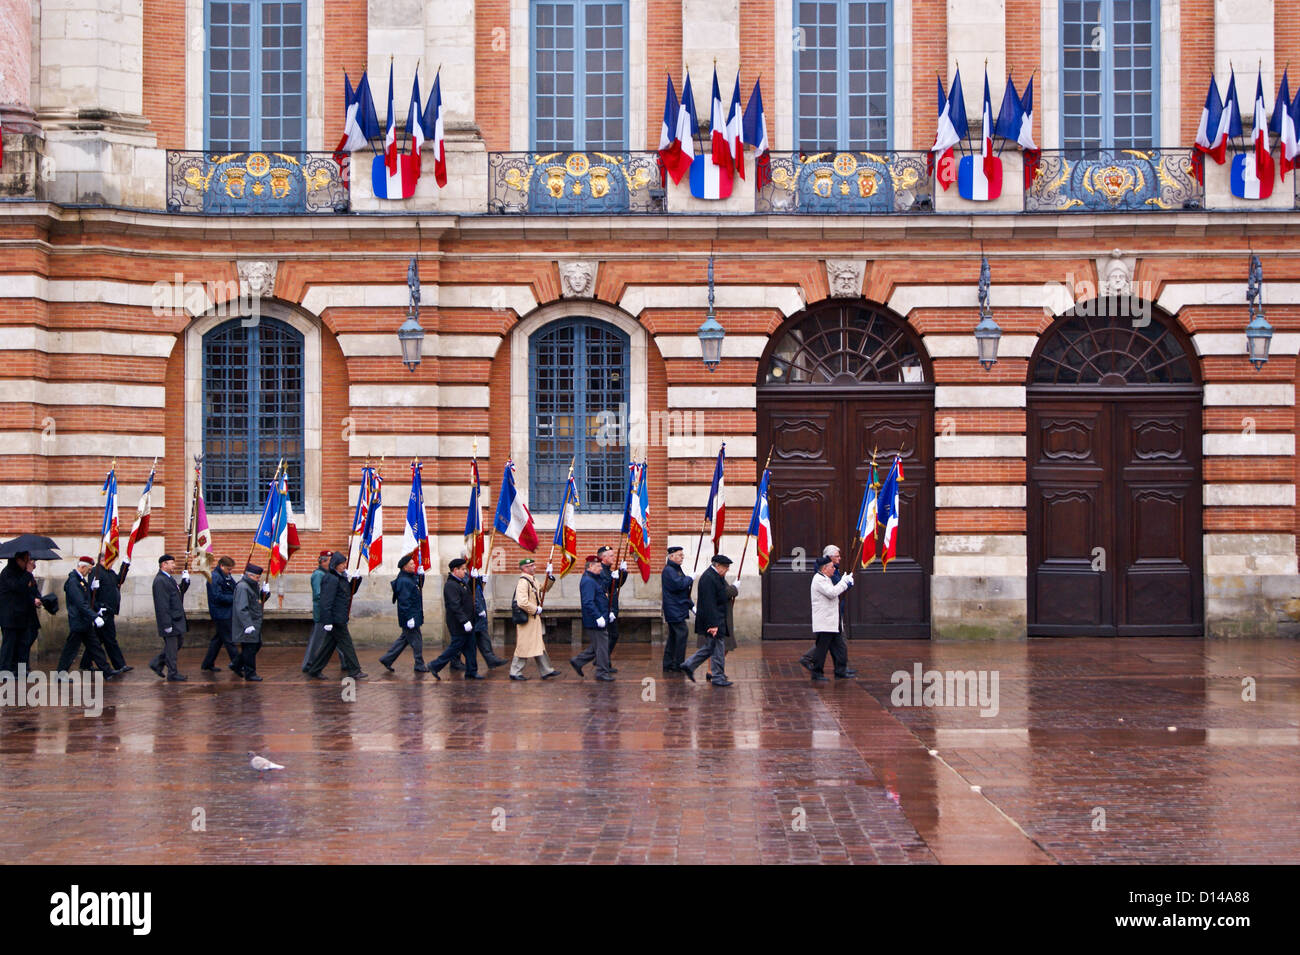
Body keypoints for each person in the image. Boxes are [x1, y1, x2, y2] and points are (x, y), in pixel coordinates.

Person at [305, 552, 367, 680]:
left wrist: (356, 580)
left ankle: (315, 669)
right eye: (342, 564)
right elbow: (326, 601)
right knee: (347, 644)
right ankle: (354, 670)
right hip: (335, 619)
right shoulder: (330, 578)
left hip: (340, 617)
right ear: (336, 565)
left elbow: (349, 592)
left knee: (328, 646)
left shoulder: (340, 578)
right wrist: (327, 620)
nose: (345, 565)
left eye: (345, 563)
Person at [799, 545, 857, 680]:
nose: (834, 569)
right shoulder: (819, 579)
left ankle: (840, 670)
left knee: (839, 647)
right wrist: (845, 582)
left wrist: (844, 582)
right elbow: (832, 593)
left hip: (833, 619)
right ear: (824, 569)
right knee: (821, 649)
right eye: (831, 567)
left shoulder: (826, 578)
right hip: (825, 620)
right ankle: (817, 672)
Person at [57, 556, 116, 678]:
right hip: (78, 621)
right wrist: (94, 616)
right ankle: (60, 675)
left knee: (95, 647)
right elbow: (80, 603)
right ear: (82, 567)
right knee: (71, 650)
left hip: (85, 621)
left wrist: (92, 591)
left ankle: (107, 671)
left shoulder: (81, 580)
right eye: (88, 569)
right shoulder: (73, 581)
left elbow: (87, 599)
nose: (89, 572)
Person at [681, 555, 734, 687]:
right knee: (718, 648)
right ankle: (718, 677)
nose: (727, 570)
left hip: (716, 619)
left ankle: (689, 665)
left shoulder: (715, 576)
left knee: (711, 647)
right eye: (725, 567)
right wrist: (713, 625)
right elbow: (709, 603)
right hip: (713, 621)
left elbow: (721, 595)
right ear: (718, 566)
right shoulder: (709, 578)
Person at [429, 558, 481, 680]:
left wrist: (475, 580)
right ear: (455, 570)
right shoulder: (451, 585)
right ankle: (434, 665)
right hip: (459, 623)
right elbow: (455, 606)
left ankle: (471, 672)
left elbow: (470, 593)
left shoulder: (461, 583)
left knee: (471, 647)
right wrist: (464, 621)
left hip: (468, 621)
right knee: (455, 647)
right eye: (463, 569)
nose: (465, 571)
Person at [509, 558, 558, 681]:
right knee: (524, 645)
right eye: (531, 565)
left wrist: (550, 576)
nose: (534, 567)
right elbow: (522, 602)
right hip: (527, 619)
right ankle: (515, 671)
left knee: (538, 644)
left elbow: (543, 589)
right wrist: (535, 609)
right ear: (524, 568)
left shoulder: (532, 579)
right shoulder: (523, 582)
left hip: (533, 619)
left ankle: (546, 670)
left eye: (534, 565)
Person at [379, 554, 428, 672]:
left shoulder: (409, 577)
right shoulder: (404, 581)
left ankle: (387, 659)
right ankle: (419, 664)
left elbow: (418, 585)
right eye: (411, 564)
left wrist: (421, 575)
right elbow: (404, 602)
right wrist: (409, 617)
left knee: (404, 640)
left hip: (413, 614)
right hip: (409, 616)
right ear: (405, 567)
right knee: (417, 640)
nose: (414, 565)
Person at [452, 569, 507, 671]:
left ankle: (491, 659)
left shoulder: (471, 575)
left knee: (482, 637)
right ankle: (452, 661)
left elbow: (478, 590)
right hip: (473, 614)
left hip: (476, 616)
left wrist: (482, 581)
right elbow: (471, 595)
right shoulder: (464, 578)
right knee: (462, 641)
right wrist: (479, 609)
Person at [570, 555, 613, 681]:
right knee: (602, 646)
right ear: (590, 566)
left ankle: (578, 661)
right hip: (595, 620)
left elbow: (602, 595)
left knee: (597, 646)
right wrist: (598, 617)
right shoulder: (588, 581)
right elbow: (588, 602)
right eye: (598, 566)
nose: (600, 568)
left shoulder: (595, 579)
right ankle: (602, 672)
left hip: (600, 617)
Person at [87, 552, 131, 673]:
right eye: (111, 561)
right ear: (103, 560)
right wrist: (96, 608)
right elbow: (91, 594)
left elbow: (119, 581)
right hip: (102, 611)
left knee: (98, 639)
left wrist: (125, 566)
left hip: (109, 610)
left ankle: (85, 663)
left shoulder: (109, 572)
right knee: (110, 638)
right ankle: (119, 665)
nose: (112, 564)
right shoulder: (96, 572)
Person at [149, 553, 190, 681]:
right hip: (170, 620)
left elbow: (177, 594)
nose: (174, 565)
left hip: (176, 618)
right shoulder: (160, 580)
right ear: (164, 564)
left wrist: (185, 582)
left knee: (178, 643)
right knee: (172, 648)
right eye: (171, 563)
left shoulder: (169, 578)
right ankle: (172, 673)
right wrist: (166, 624)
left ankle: (157, 663)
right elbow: (162, 604)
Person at [0, 552, 41, 675]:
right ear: (18, 560)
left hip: (23, 615)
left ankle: (20, 671)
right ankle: (4, 671)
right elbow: (17, 587)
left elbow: (30, 590)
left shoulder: (24, 574)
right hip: (10, 616)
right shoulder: (7, 573)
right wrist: (28, 573)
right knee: (9, 645)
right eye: (26, 560)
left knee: (23, 645)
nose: (28, 563)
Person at [201, 556, 239, 672]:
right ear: (221, 566)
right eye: (228, 569)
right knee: (229, 639)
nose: (230, 572)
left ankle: (207, 663)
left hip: (226, 612)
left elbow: (233, 587)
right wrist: (234, 598)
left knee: (218, 640)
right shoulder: (214, 577)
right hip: (221, 613)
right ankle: (238, 663)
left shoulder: (226, 576)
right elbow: (217, 597)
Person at [660, 545, 693, 672]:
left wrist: (691, 605)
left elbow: (683, 591)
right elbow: (679, 585)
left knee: (674, 637)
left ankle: (669, 663)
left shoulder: (676, 569)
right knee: (682, 634)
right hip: (674, 609)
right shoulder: (669, 570)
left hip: (678, 608)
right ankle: (678, 664)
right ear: (671, 556)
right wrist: (690, 579)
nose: (682, 557)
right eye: (679, 555)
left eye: (682, 554)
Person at [231, 563, 265, 681]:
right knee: (249, 648)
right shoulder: (243, 587)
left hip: (254, 621)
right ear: (250, 575)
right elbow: (242, 607)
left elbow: (256, 602)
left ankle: (236, 664)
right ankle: (250, 673)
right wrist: (247, 624)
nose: (258, 579)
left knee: (255, 645)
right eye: (257, 577)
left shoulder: (252, 586)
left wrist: (265, 594)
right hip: (247, 623)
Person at [301, 550, 333, 672]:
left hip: (330, 612)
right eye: (330, 561)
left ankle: (348, 662)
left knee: (341, 639)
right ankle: (308, 664)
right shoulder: (318, 575)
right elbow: (318, 594)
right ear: (323, 561)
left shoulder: (328, 574)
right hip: (322, 613)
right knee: (317, 641)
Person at [596, 545, 628, 666]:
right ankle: (602, 662)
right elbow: (604, 588)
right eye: (611, 555)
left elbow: (617, 585)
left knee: (611, 636)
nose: (613, 558)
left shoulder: (608, 571)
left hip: (612, 608)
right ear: (603, 557)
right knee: (611, 636)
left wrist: (622, 572)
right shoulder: (600, 571)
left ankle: (604, 662)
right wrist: (613, 577)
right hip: (606, 609)